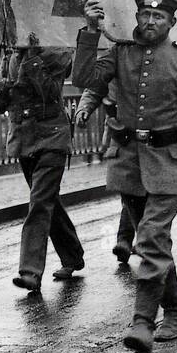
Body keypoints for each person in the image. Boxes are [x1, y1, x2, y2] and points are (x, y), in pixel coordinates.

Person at [72, 0, 177, 353]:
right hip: (129, 162)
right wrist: (90, 30)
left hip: (167, 162)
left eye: (158, 17)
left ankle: (143, 322)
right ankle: (176, 313)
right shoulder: (120, 52)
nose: (149, 22)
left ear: (171, 23)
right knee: (155, 244)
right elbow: (83, 77)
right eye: (144, 14)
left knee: (149, 240)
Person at [0, 42, 85, 291]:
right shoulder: (12, 53)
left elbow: (49, 92)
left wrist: (33, 58)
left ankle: (30, 272)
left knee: (39, 202)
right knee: (47, 201)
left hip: (52, 136)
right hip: (24, 139)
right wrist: (1, 93)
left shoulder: (59, 52)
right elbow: (0, 105)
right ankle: (73, 256)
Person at [76, 88, 136, 263]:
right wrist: (84, 108)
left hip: (150, 134)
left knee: (144, 193)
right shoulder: (114, 63)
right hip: (122, 134)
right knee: (129, 190)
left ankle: (141, 241)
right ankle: (125, 240)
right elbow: (96, 85)